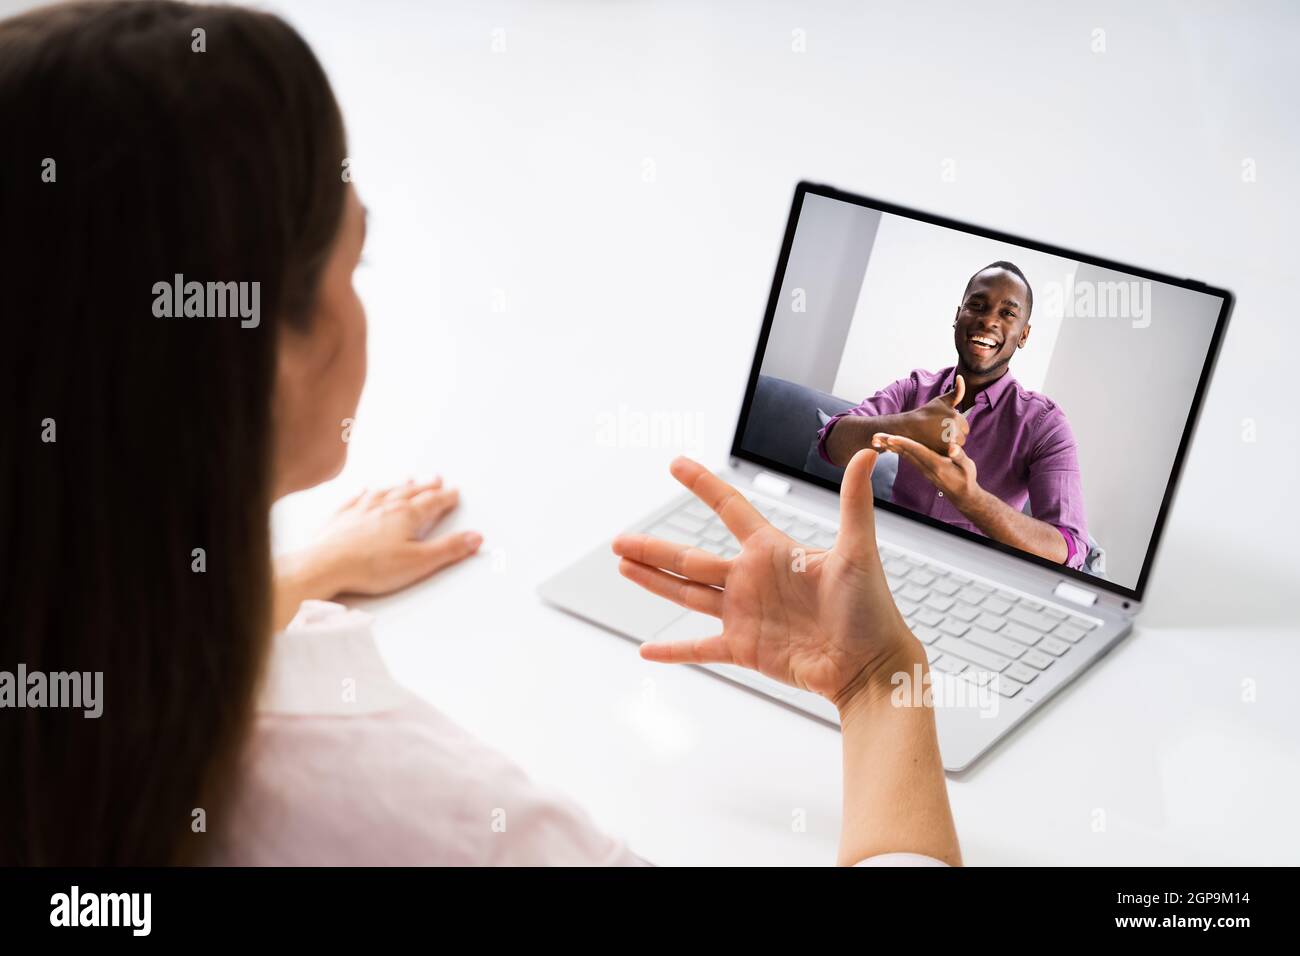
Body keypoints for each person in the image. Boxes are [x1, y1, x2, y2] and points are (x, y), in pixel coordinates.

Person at [0, 0, 959, 866]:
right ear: (275, 355)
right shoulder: (426, 821)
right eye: (355, 255)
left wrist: (284, 580)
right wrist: (880, 681)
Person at [818, 262, 1090, 569]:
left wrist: (970, 498)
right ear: (957, 316)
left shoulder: (1045, 425)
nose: (988, 320)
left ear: (1023, 335)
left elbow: (1070, 547)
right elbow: (830, 444)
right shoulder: (914, 388)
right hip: (885, 558)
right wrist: (909, 425)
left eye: (1007, 313)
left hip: (972, 578)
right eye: (978, 305)